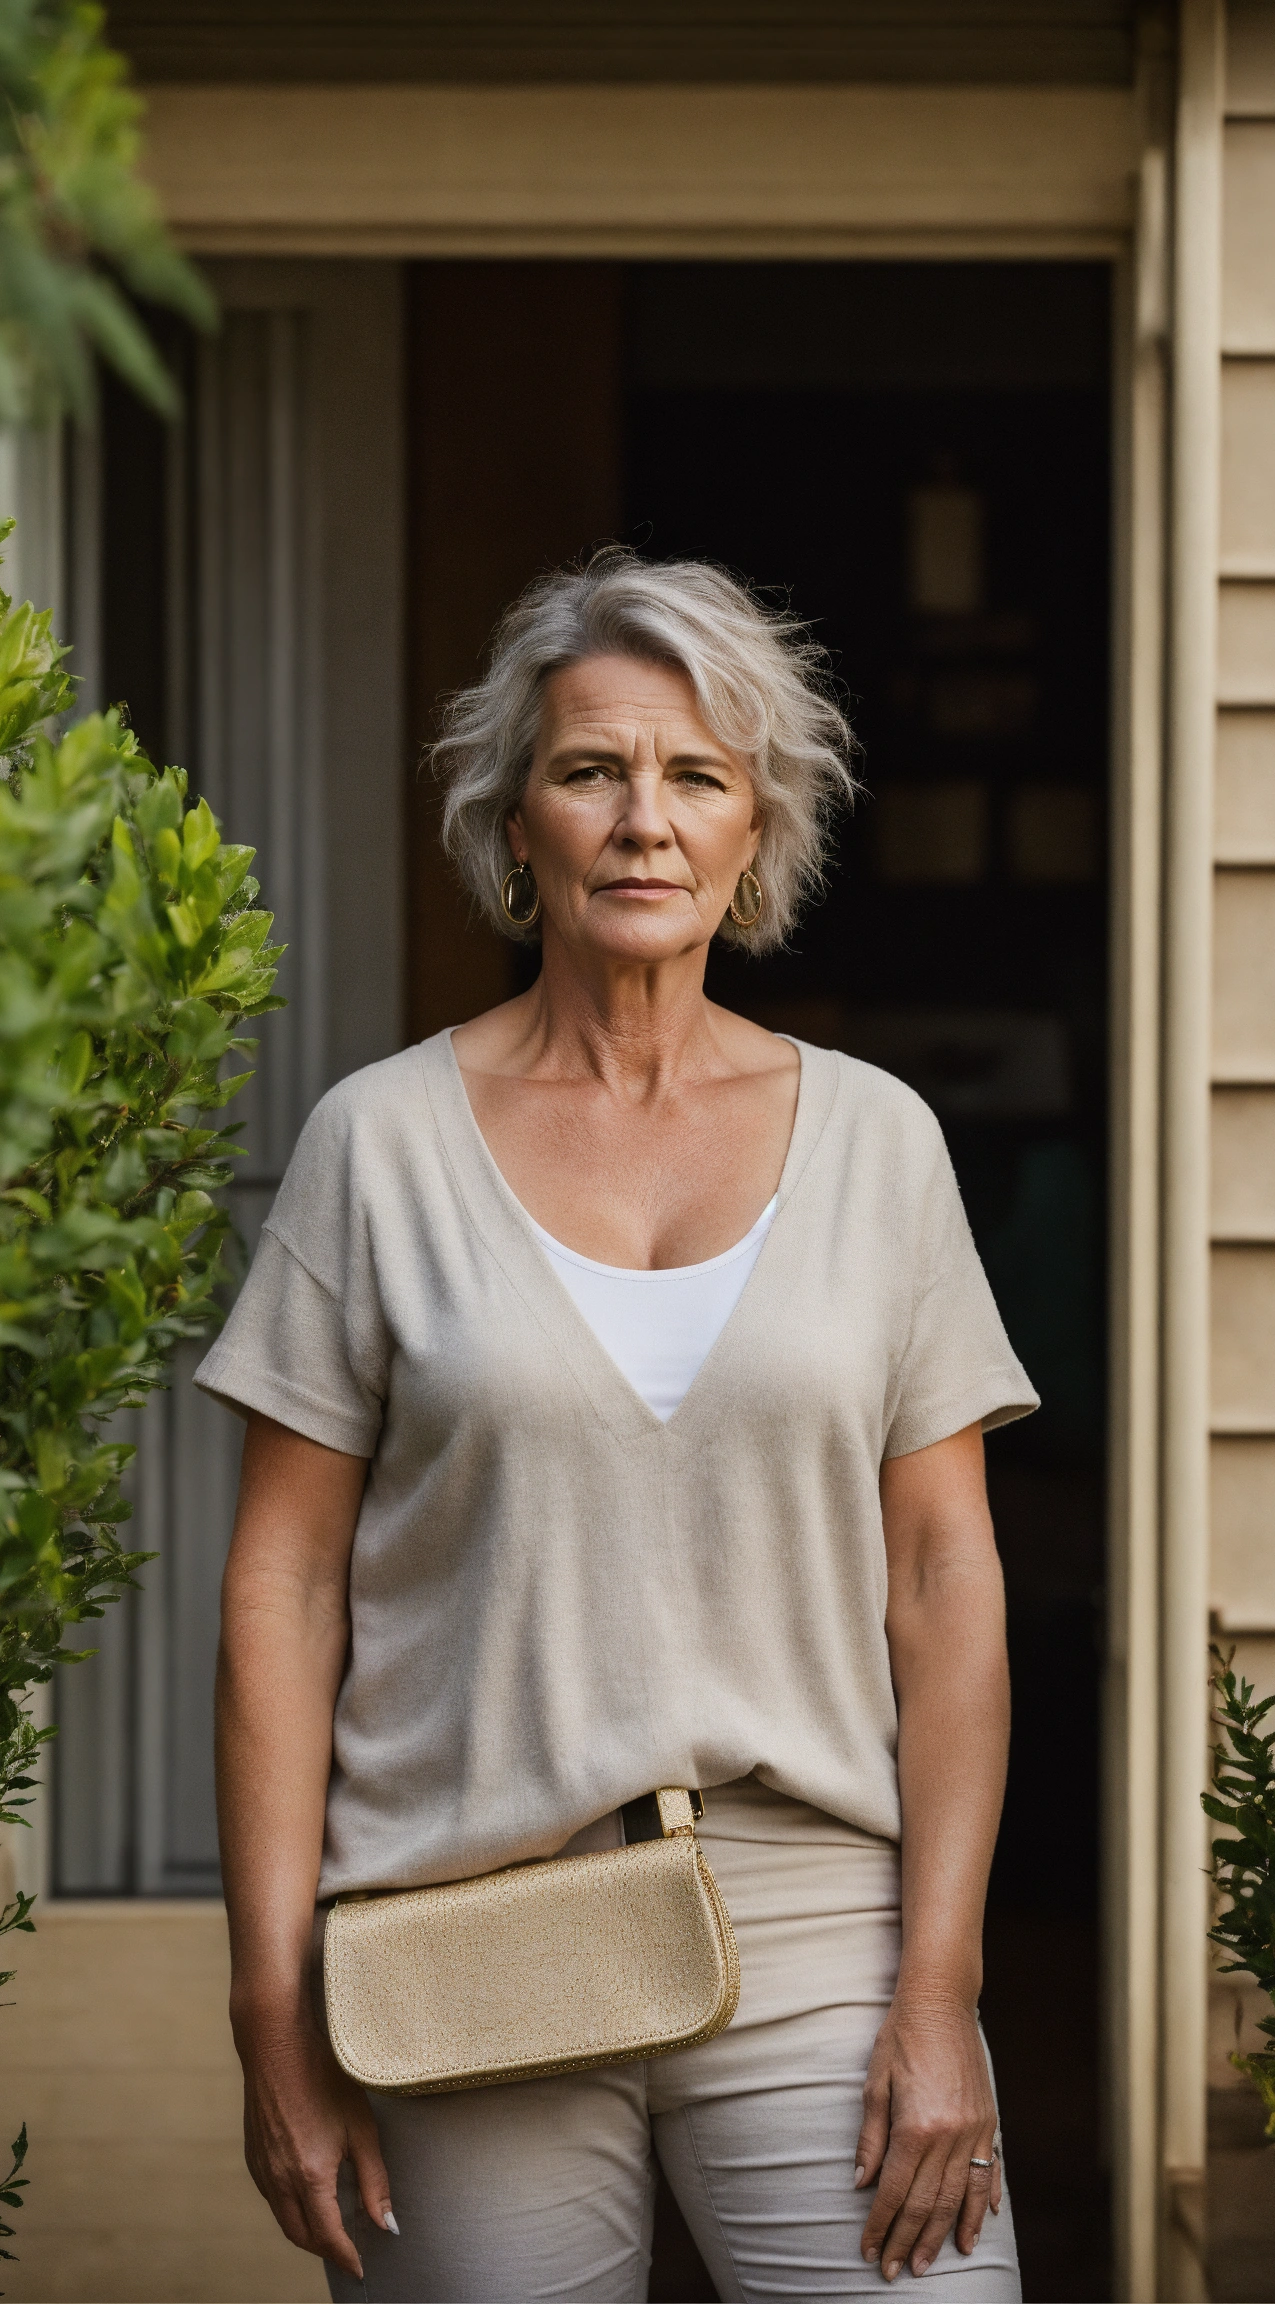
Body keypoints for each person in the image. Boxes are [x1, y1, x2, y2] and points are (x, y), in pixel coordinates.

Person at [202, 549, 1036, 2302]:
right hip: (464, 1921)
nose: (642, 819)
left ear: (757, 837)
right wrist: (273, 2009)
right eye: (591, 771)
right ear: (519, 828)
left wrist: (940, 1993)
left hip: (817, 1925)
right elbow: (281, 1591)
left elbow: (947, 1578)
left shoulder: (880, 1145)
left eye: (696, 777)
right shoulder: (379, 1147)